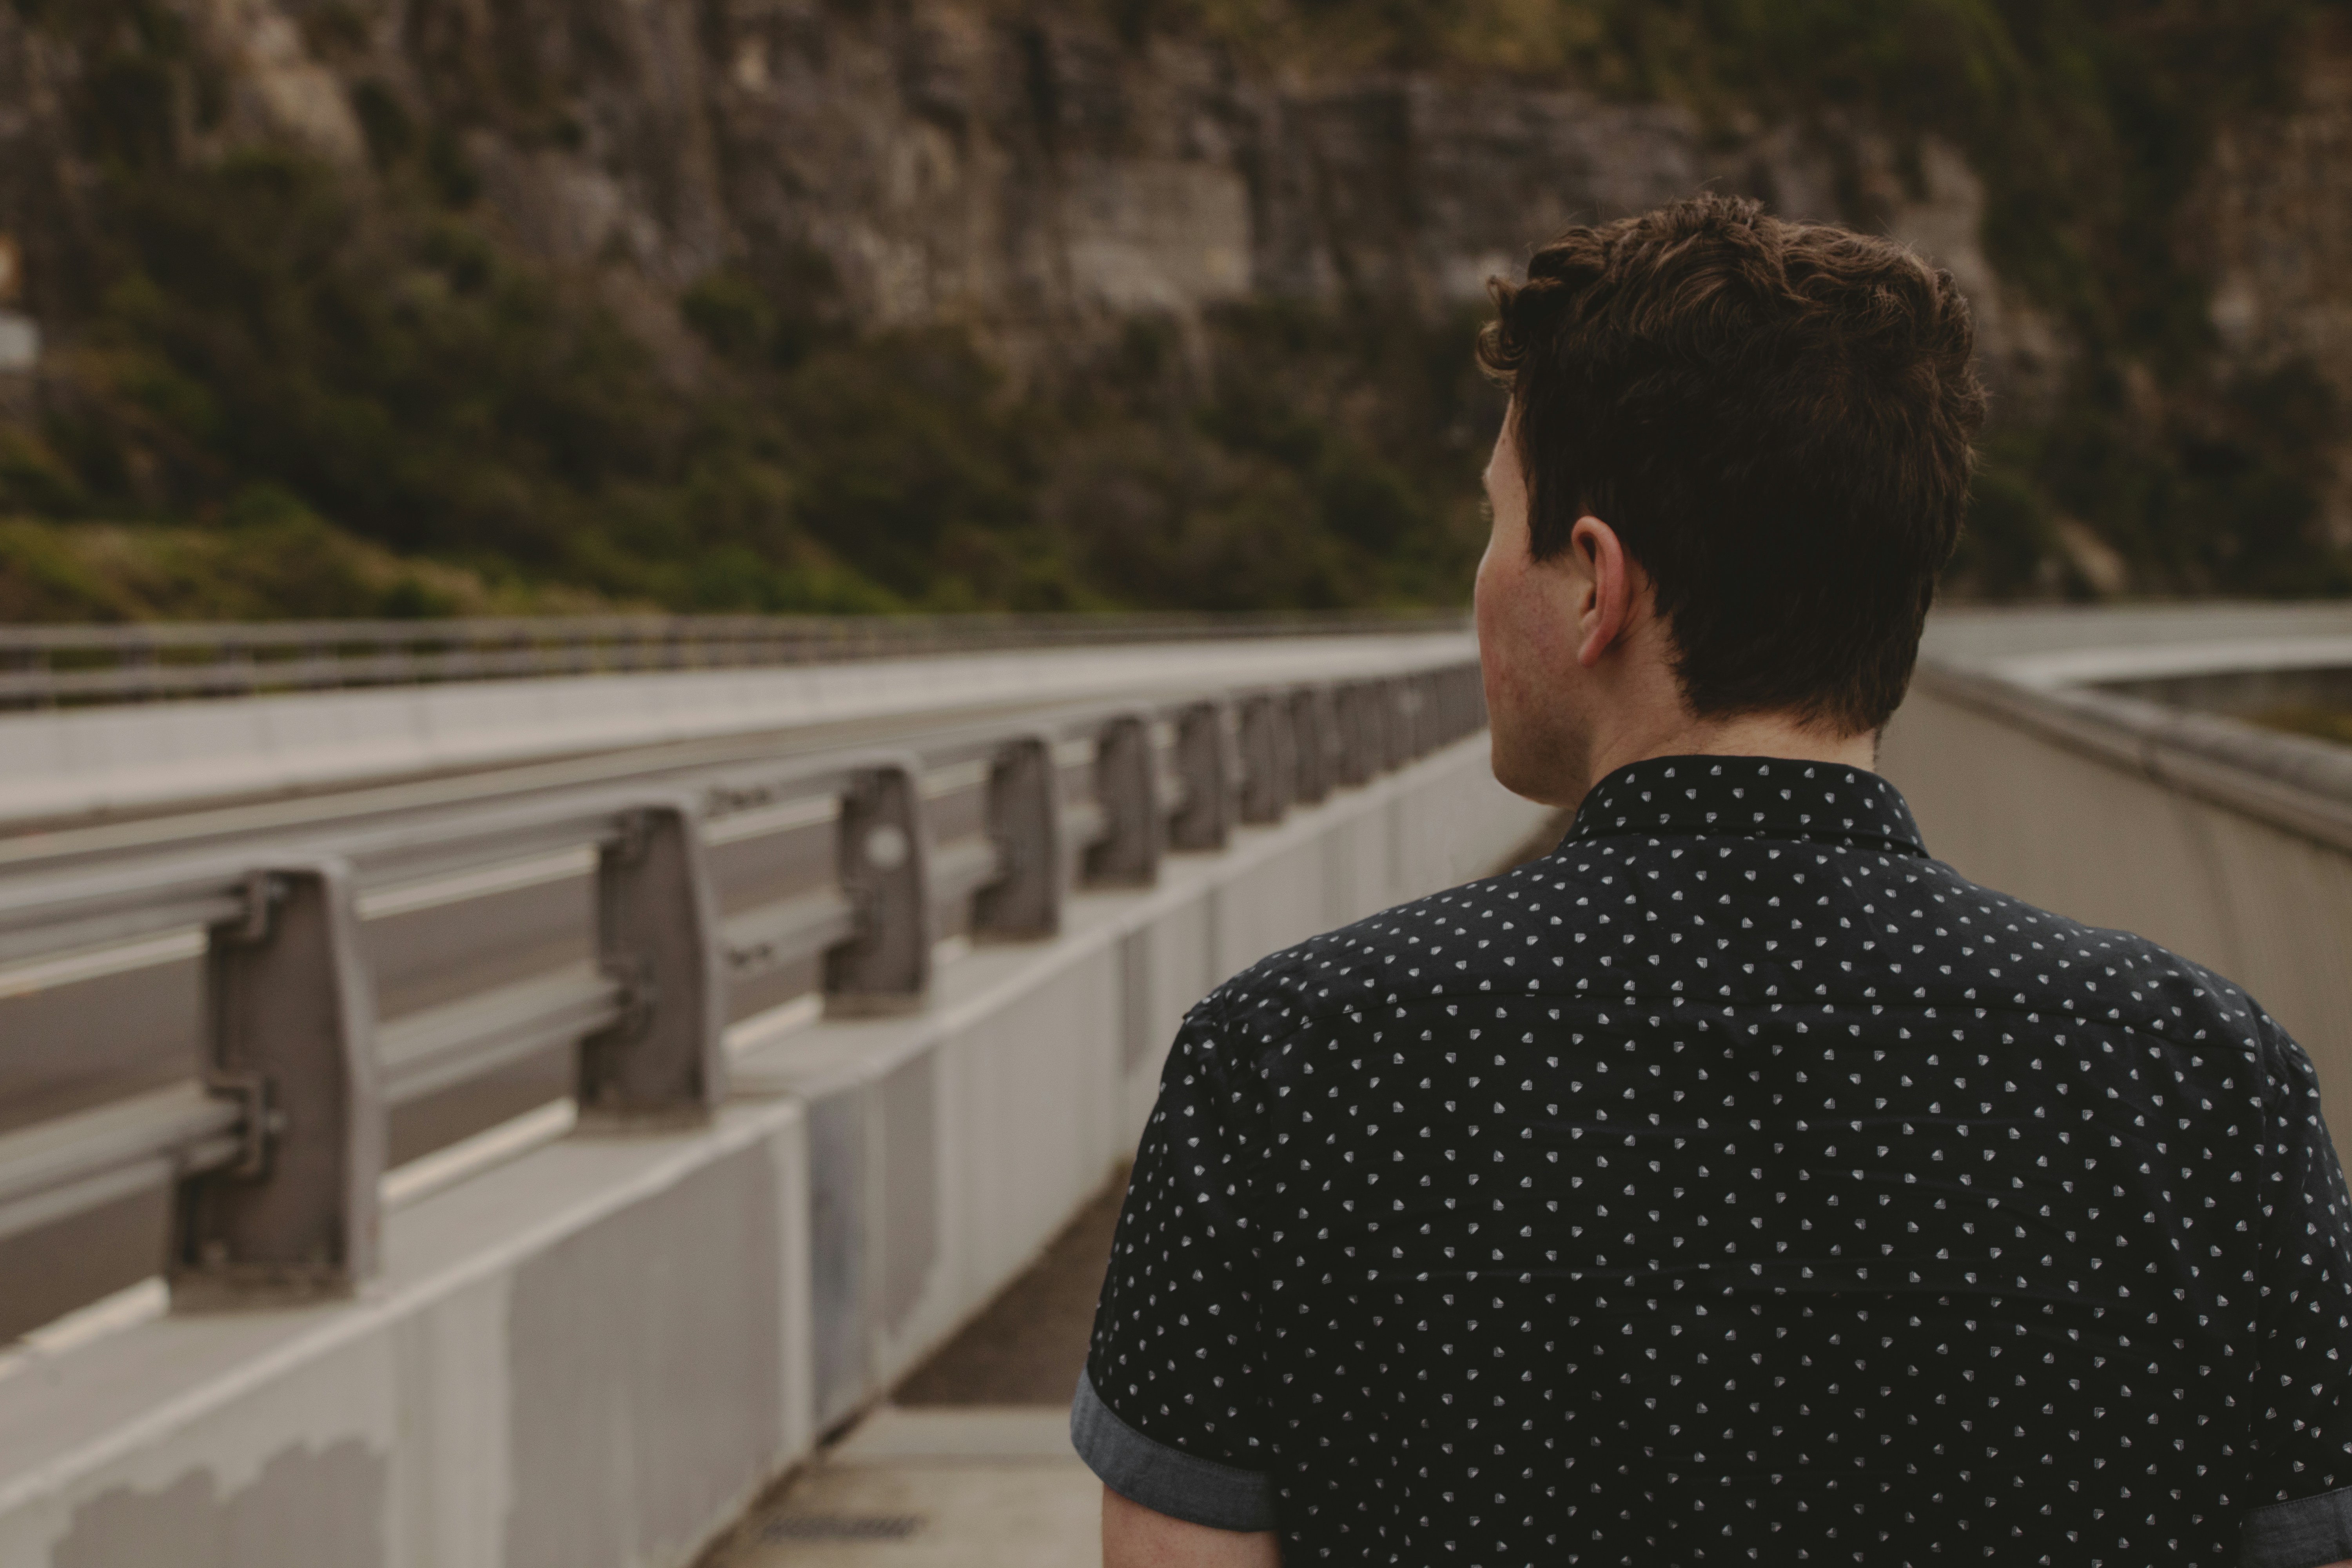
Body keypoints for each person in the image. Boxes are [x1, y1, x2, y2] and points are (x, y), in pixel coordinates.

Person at [1069, 193, 2352, 1567]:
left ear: (1595, 586)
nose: (1482, 574)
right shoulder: (2204, 1084)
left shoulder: (1291, 1066)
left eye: (1502, 525)